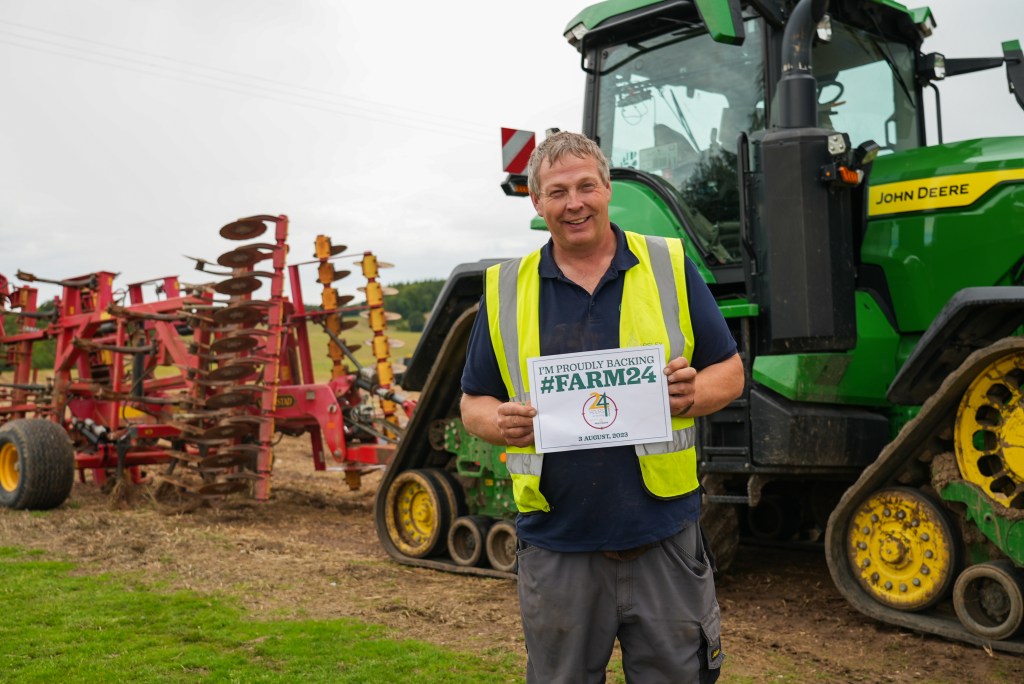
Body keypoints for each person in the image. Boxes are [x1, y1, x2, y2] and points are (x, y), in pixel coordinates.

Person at [460, 130, 744, 683]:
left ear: (607, 188)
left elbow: (729, 371)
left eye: (586, 186)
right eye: (557, 191)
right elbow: (474, 402)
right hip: (558, 545)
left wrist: (695, 393)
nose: (574, 203)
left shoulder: (667, 264)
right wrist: (498, 421)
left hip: (664, 539)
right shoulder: (505, 289)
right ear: (536, 203)